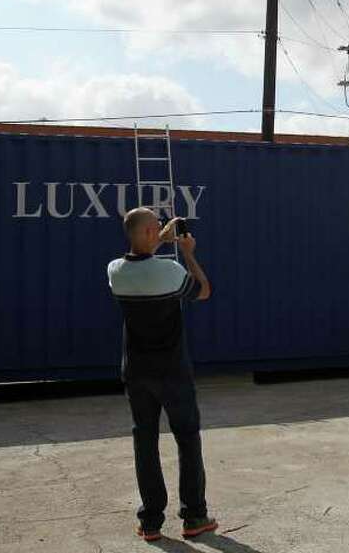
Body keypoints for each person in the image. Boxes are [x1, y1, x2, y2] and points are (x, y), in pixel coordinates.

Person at [108, 207, 216, 541]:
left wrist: (158, 237)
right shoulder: (171, 271)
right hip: (172, 372)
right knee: (187, 438)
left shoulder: (115, 271)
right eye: (155, 228)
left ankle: (151, 521)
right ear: (147, 235)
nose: (160, 231)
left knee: (145, 441)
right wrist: (187, 254)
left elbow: (138, 253)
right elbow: (203, 290)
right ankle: (195, 516)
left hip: (137, 372)